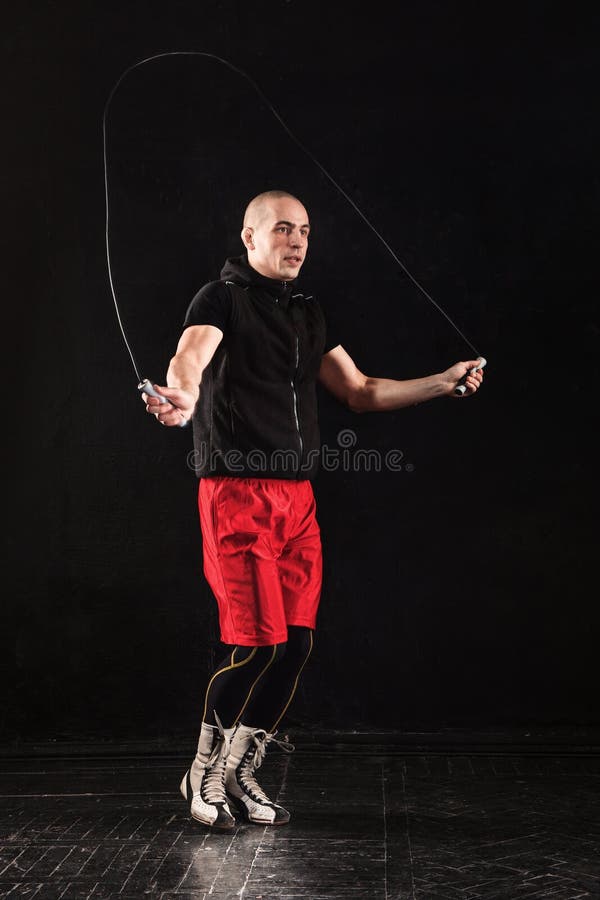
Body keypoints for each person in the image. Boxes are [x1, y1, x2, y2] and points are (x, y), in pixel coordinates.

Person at [142, 189, 484, 832]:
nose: (296, 241)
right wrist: (181, 397)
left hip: (297, 501)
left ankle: (238, 771)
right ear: (249, 237)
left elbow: (360, 391)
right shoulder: (218, 299)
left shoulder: (307, 311)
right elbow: (190, 359)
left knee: (294, 645)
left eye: (303, 231)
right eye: (281, 229)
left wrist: (443, 382)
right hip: (236, 494)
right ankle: (201, 770)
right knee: (255, 644)